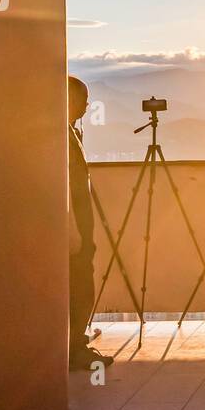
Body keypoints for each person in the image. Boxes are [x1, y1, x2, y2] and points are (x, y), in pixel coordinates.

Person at [67, 76, 114, 370]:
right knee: (79, 285)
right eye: (83, 100)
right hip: (74, 226)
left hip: (77, 225)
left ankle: (73, 342)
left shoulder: (68, 133)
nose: (86, 106)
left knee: (78, 284)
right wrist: (74, 231)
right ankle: (75, 347)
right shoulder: (62, 136)